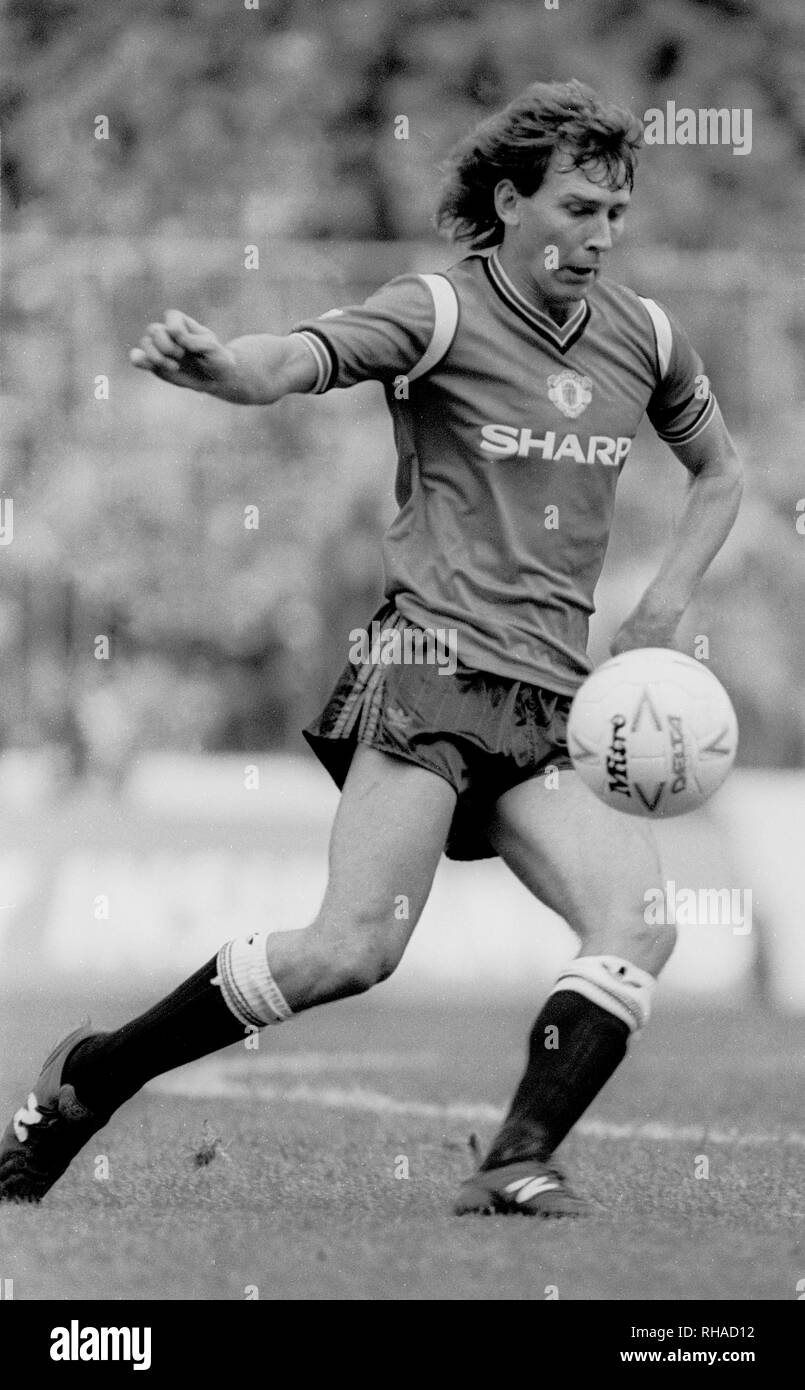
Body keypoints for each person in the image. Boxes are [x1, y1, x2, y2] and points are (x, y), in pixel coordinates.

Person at [0, 79, 742, 1215]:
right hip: (431, 674)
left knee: (639, 919)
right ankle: (89, 1080)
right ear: (511, 198)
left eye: (615, 213)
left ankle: (515, 1157)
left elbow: (720, 473)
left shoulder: (644, 338)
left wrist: (658, 610)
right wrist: (219, 369)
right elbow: (294, 359)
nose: (600, 234)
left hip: (556, 707)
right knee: (349, 952)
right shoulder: (438, 312)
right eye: (579, 207)